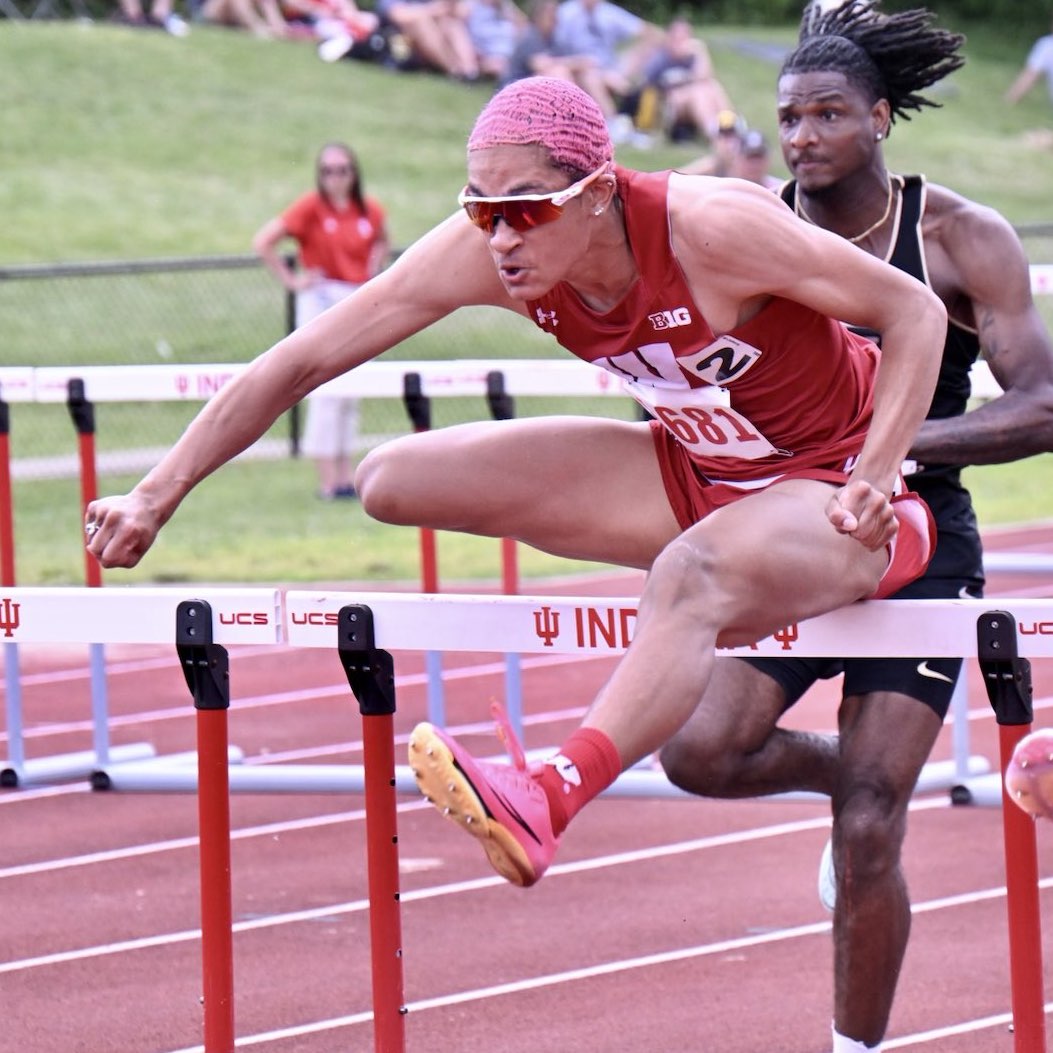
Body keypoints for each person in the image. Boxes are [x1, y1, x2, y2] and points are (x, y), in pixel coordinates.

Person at [86, 73, 944, 992]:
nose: (499, 237)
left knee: (688, 574)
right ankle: (732, 617)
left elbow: (915, 312)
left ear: (599, 193)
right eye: (480, 209)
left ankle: (549, 793)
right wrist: (155, 492)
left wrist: (872, 470)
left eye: (525, 211)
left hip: (840, 498)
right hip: (699, 473)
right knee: (388, 481)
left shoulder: (712, 227)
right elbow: (300, 359)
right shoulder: (482, 253)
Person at [658, 3, 1053, 1052]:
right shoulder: (751, 227)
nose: (803, 137)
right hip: (788, 530)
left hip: (922, 545)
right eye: (789, 117)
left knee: (873, 828)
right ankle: (852, 765)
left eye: (829, 114)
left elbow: (1044, 405)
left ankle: (854, 1047)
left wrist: (894, 451)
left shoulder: (958, 237)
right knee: (697, 751)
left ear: (880, 118)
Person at [252, 142, 389, 499]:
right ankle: (328, 480)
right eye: (328, 171)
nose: (335, 178)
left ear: (353, 173)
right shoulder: (311, 208)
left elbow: (381, 241)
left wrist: (375, 267)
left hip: (358, 299)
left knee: (352, 390)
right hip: (323, 298)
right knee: (326, 389)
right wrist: (293, 282)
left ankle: (346, 477)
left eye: (342, 170)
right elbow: (264, 241)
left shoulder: (368, 210)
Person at [635, 14, 734, 143]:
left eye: (685, 38)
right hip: (669, 106)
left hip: (692, 102)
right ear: (669, 37)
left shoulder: (691, 58)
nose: (680, 42)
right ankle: (718, 136)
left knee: (712, 86)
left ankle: (730, 126)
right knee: (697, 93)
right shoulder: (661, 58)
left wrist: (701, 52)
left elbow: (705, 77)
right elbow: (646, 85)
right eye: (677, 38)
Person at [374, 0, 480, 80]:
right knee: (420, 21)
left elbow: (462, 13)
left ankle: (469, 70)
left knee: (450, 23)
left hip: (434, 38)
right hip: (399, 38)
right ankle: (455, 70)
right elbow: (398, 15)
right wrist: (432, 10)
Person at [1005, 15, 1053, 107]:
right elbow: (1029, 76)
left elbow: (1029, 76)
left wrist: (1009, 100)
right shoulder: (1047, 46)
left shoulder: (1047, 46)